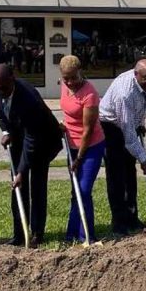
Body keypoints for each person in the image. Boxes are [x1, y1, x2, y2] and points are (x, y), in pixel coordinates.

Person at [0, 63, 63, 248]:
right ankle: (19, 234)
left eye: (4, 88)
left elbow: (32, 138)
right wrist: (6, 131)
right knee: (17, 188)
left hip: (42, 140)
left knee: (37, 185)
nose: (0, 92)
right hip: (17, 137)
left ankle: (37, 233)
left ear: (12, 79)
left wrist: (21, 170)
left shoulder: (29, 99)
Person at [99, 59, 146, 235]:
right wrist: (143, 157)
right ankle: (119, 222)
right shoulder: (125, 93)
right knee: (117, 176)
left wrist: (141, 123)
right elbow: (128, 135)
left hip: (129, 123)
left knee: (130, 174)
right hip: (110, 127)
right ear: (136, 74)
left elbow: (143, 105)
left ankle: (132, 217)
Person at [58, 56, 106, 244]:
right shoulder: (65, 86)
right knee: (75, 190)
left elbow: (88, 130)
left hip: (91, 146)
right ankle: (71, 234)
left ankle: (87, 236)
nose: (69, 82)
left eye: (72, 77)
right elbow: (68, 112)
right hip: (71, 143)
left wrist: (79, 157)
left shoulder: (90, 94)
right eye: (65, 78)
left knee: (84, 190)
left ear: (80, 72)